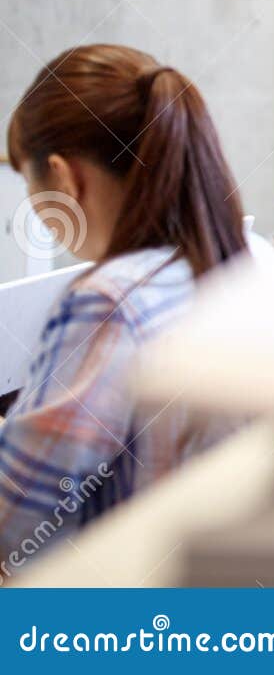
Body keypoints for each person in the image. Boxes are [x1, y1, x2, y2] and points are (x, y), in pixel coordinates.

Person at [1, 45, 253, 570]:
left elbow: (15, 517)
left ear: (65, 178)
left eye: (28, 185)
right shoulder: (234, 262)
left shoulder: (110, 301)